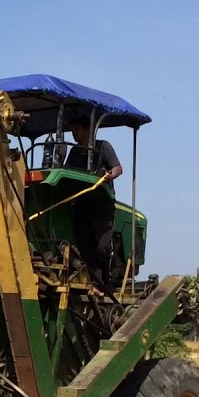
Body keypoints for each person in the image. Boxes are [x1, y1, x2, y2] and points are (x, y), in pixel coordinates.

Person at [63, 116, 125, 287]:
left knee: (102, 247)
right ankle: (94, 284)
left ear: (87, 130)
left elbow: (118, 168)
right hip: (82, 203)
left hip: (101, 204)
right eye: (72, 130)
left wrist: (109, 175)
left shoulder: (103, 146)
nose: (74, 134)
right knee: (84, 246)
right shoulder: (74, 152)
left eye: (77, 130)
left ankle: (107, 281)